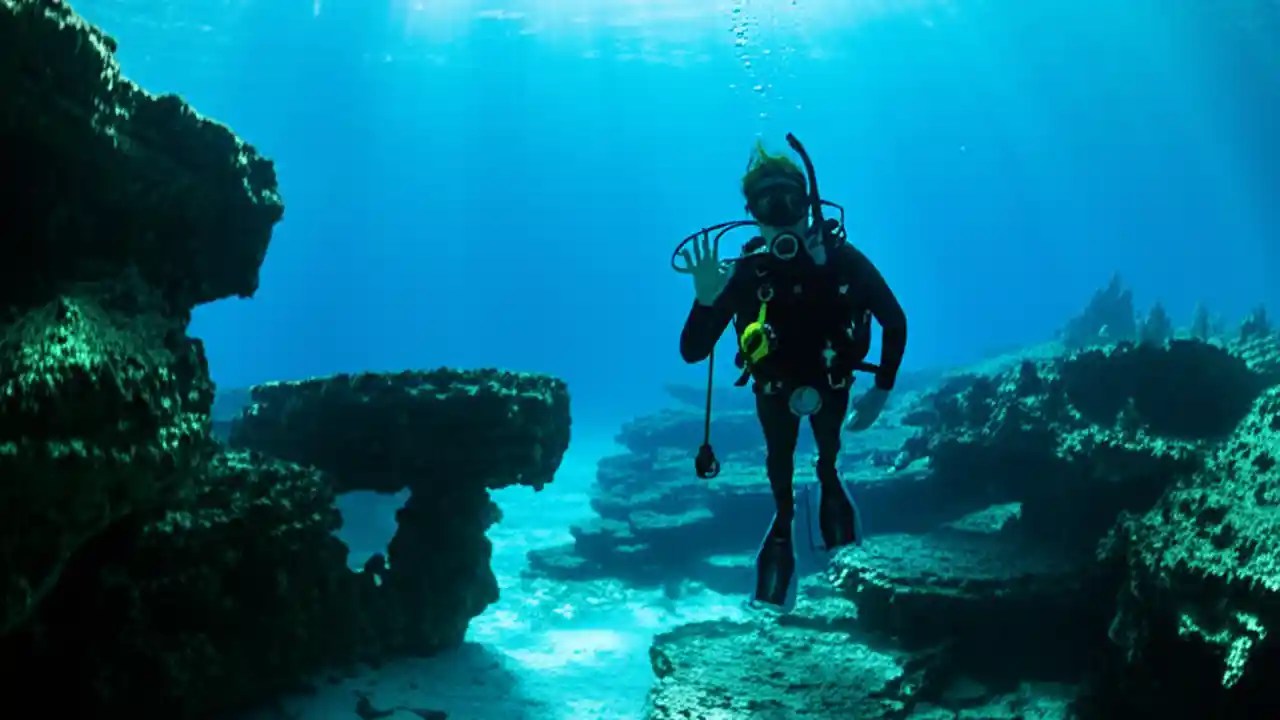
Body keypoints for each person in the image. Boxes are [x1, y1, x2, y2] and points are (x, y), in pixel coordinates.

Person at [675, 135, 907, 607]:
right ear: (752, 212)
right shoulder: (743, 273)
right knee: (778, 464)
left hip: (832, 382)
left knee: (826, 453)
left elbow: (894, 320)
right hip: (774, 389)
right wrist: (704, 300)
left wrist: (881, 389)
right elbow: (694, 351)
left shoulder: (843, 260)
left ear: (809, 204)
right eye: (768, 202)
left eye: (790, 200)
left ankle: (828, 482)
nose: (781, 212)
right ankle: (783, 522)